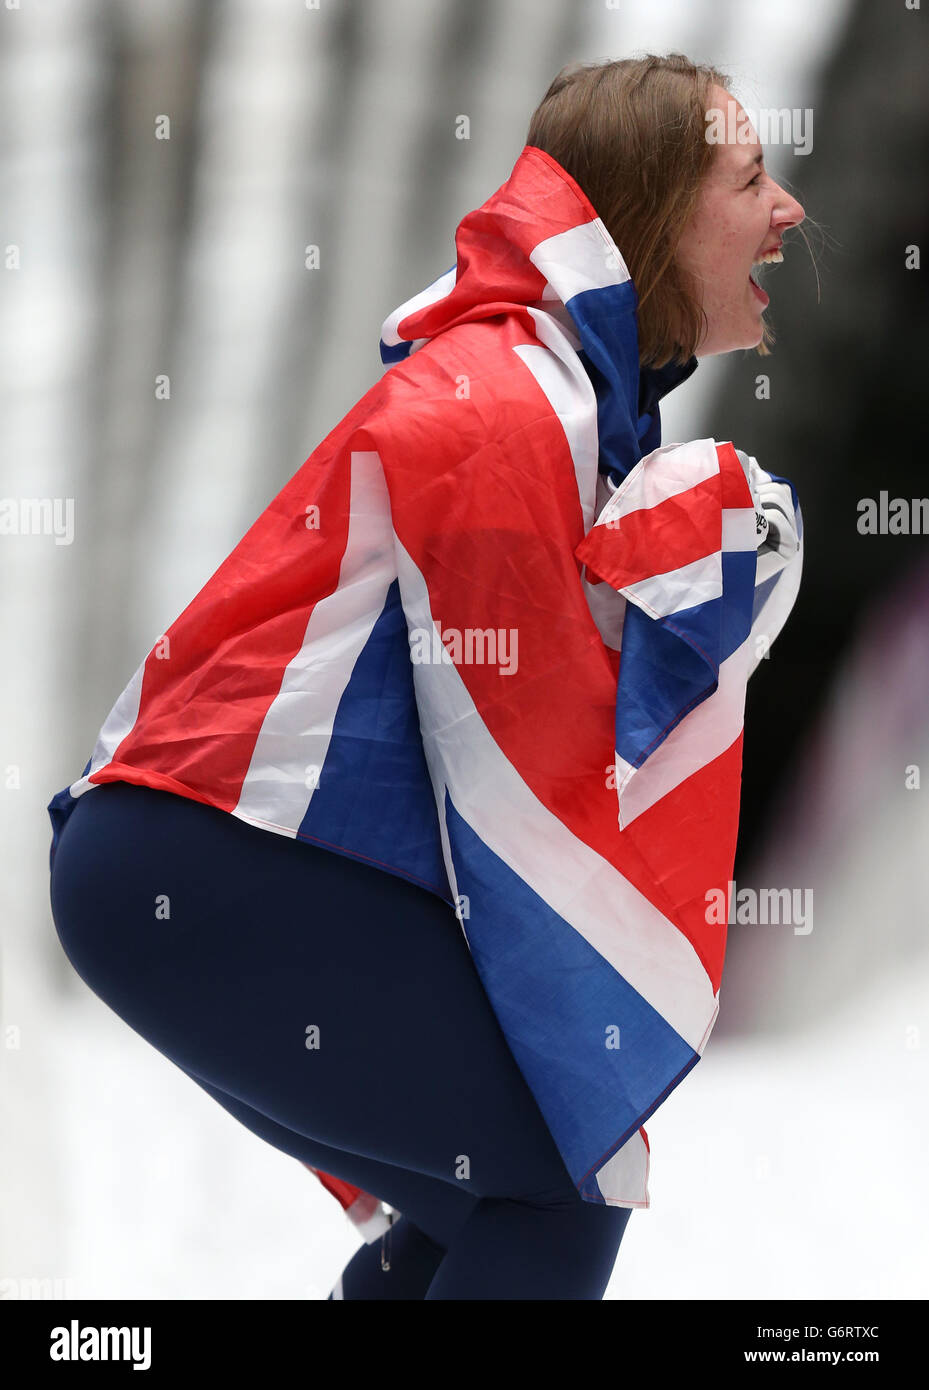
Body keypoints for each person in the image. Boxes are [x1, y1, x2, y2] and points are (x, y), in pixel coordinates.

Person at [46, 54, 805, 1301]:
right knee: (562, 1183)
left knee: (490, 1210)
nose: (786, 209)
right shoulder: (514, 399)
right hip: (198, 853)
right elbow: (538, 759)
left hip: (181, 858)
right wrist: (720, 562)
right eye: (747, 178)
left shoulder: (555, 389)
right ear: (658, 211)